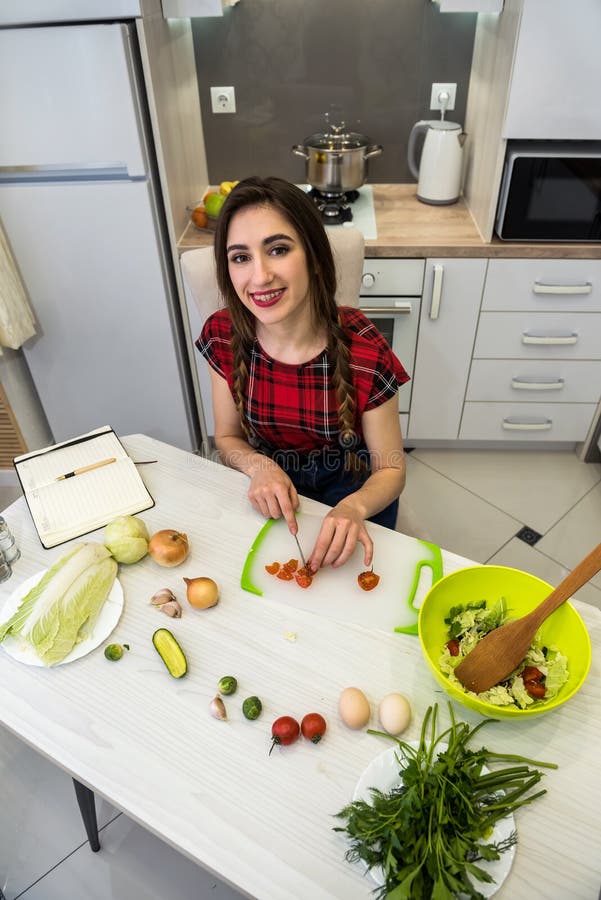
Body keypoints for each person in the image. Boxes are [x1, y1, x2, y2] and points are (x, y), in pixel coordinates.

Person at [196, 176, 409, 572]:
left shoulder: (365, 348)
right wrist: (259, 466)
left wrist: (354, 506)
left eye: (277, 250)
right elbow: (227, 437)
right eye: (240, 257)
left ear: (312, 255)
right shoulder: (222, 336)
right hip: (271, 490)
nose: (259, 277)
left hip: (354, 487)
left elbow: (391, 468)